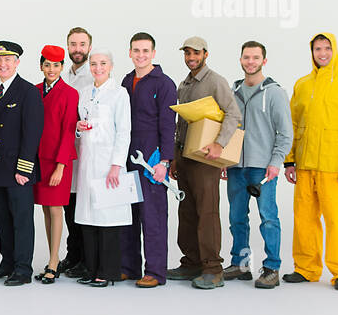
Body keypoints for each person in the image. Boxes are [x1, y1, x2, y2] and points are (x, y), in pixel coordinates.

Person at [283, 33, 338, 291]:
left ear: (335, 50)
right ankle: (306, 268)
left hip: (335, 166)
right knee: (304, 219)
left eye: (327, 48)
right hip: (306, 164)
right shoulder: (302, 84)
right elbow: (293, 124)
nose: (322, 53)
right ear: (312, 52)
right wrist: (289, 160)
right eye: (318, 49)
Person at [170, 36, 242, 289]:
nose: (191, 57)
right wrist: (175, 157)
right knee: (187, 212)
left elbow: (234, 113)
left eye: (196, 53)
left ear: (206, 54)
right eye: (187, 53)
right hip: (186, 156)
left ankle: (213, 268)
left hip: (206, 159)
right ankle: (191, 263)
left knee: (207, 213)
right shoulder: (184, 84)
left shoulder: (215, 81)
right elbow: (182, 123)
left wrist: (220, 144)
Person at [224, 41, 291, 289]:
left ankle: (271, 267)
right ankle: (241, 265)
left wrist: (276, 163)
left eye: (255, 58)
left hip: (263, 169)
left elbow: (285, 133)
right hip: (236, 168)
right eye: (246, 57)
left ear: (264, 61)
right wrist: (226, 159)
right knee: (237, 218)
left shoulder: (274, 93)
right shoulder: (233, 92)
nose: (250, 62)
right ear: (240, 60)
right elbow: (227, 128)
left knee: (268, 218)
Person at [0, 41, 43, 286]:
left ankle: (22, 268)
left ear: (17, 62)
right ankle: (6, 263)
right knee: (2, 220)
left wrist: (24, 168)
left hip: (18, 170)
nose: (3, 64)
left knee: (21, 220)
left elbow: (32, 133)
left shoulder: (28, 92)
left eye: (8, 60)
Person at [120, 32, 178, 288]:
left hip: (151, 160)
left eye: (145, 51)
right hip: (127, 157)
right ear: (130, 53)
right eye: (136, 50)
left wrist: (164, 161)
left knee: (152, 216)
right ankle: (129, 266)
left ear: (153, 53)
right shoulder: (126, 80)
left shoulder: (164, 83)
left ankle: (155, 271)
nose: (140, 55)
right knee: (129, 215)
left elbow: (168, 125)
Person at [71, 51, 132, 287]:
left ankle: (106, 272)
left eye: (103, 64)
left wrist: (117, 165)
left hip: (109, 165)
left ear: (111, 66)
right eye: (94, 64)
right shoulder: (85, 93)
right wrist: (78, 128)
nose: (98, 68)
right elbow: (80, 125)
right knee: (87, 218)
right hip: (87, 163)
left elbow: (123, 132)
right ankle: (91, 268)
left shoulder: (119, 94)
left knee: (107, 219)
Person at [33, 45, 79, 283]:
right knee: (44, 209)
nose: (52, 69)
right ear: (41, 66)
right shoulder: (35, 90)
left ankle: (53, 262)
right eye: (47, 64)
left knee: (55, 209)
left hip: (57, 162)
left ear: (62, 67)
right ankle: (52, 256)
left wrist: (61, 166)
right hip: (38, 160)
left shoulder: (70, 94)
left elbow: (69, 131)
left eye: (57, 65)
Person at [60, 27, 93, 279]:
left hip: (86, 152)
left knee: (84, 205)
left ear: (89, 47)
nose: (78, 49)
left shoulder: (93, 76)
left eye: (82, 44)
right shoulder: (62, 76)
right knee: (68, 205)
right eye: (73, 44)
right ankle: (73, 255)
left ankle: (86, 258)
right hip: (64, 151)